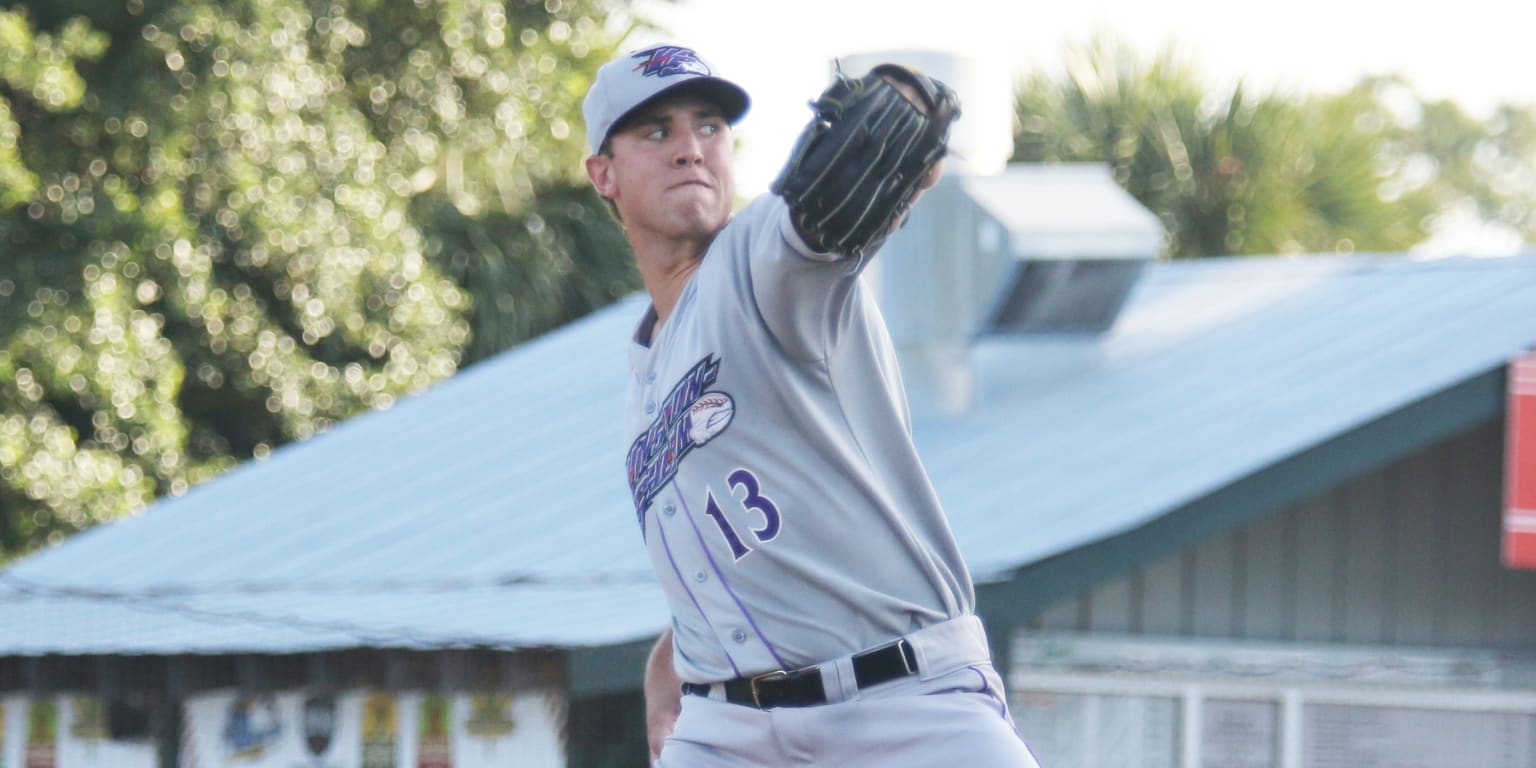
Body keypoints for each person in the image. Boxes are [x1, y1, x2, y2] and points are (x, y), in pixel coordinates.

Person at [581, 44, 1041, 766]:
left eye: (708, 126)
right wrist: (671, 654)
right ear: (602, 173)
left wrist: (905, 102)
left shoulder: (761, 258)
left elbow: (823, 208)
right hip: (728, 730)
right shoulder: (646, 364)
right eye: (657, 131)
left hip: (901, 703)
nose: (690, 149)